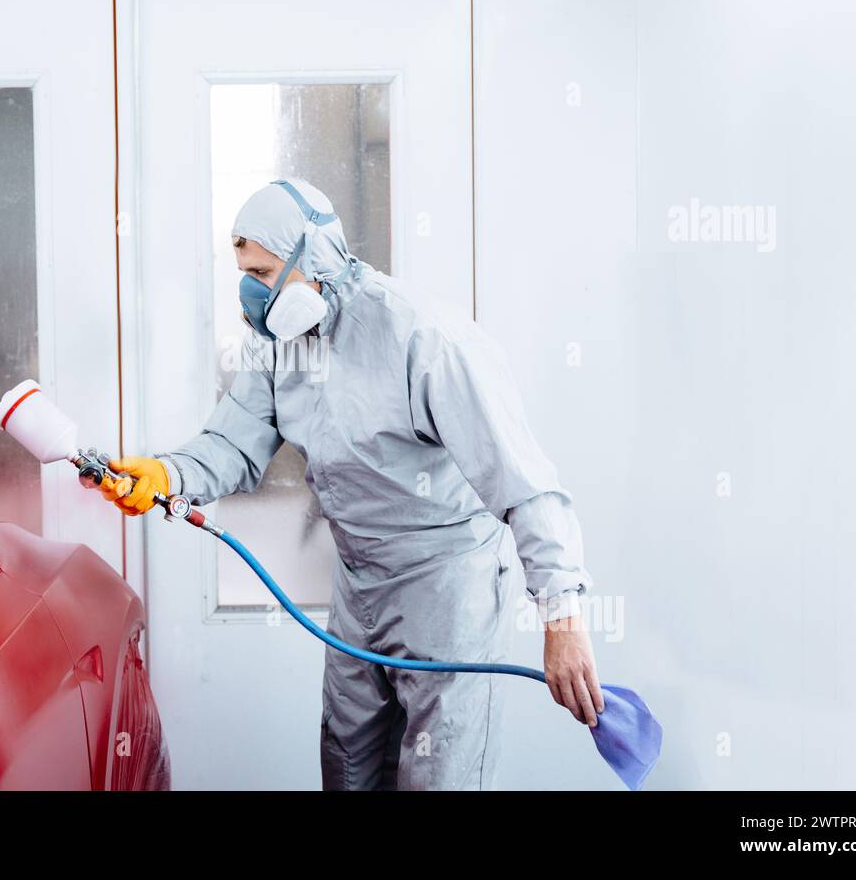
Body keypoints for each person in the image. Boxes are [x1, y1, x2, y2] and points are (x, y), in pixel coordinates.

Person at [104, 177, 601, 790]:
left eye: (261, 272)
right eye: (243, 272)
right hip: (359, 582)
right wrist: (167, 473)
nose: (248, 293)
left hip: (446, 587)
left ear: (309, 260)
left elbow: (525, 483)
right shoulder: (278, 343)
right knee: (347, 765)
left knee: (438, 774)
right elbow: (235, 441)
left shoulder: (423, 338)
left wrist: (563, 618)